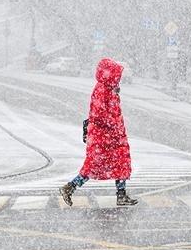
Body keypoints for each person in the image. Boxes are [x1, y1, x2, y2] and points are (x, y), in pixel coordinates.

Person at [59, 58, 138, 206]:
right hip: (103, 135)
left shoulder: (110, 89)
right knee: (95, 165)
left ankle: (121, 195)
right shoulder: (102, 90)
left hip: (113, 135)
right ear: (109, 74)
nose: (119, 78)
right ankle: (70, 187)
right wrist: (114, 125)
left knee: (121, 161)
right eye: (117, 75)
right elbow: (100, 114)